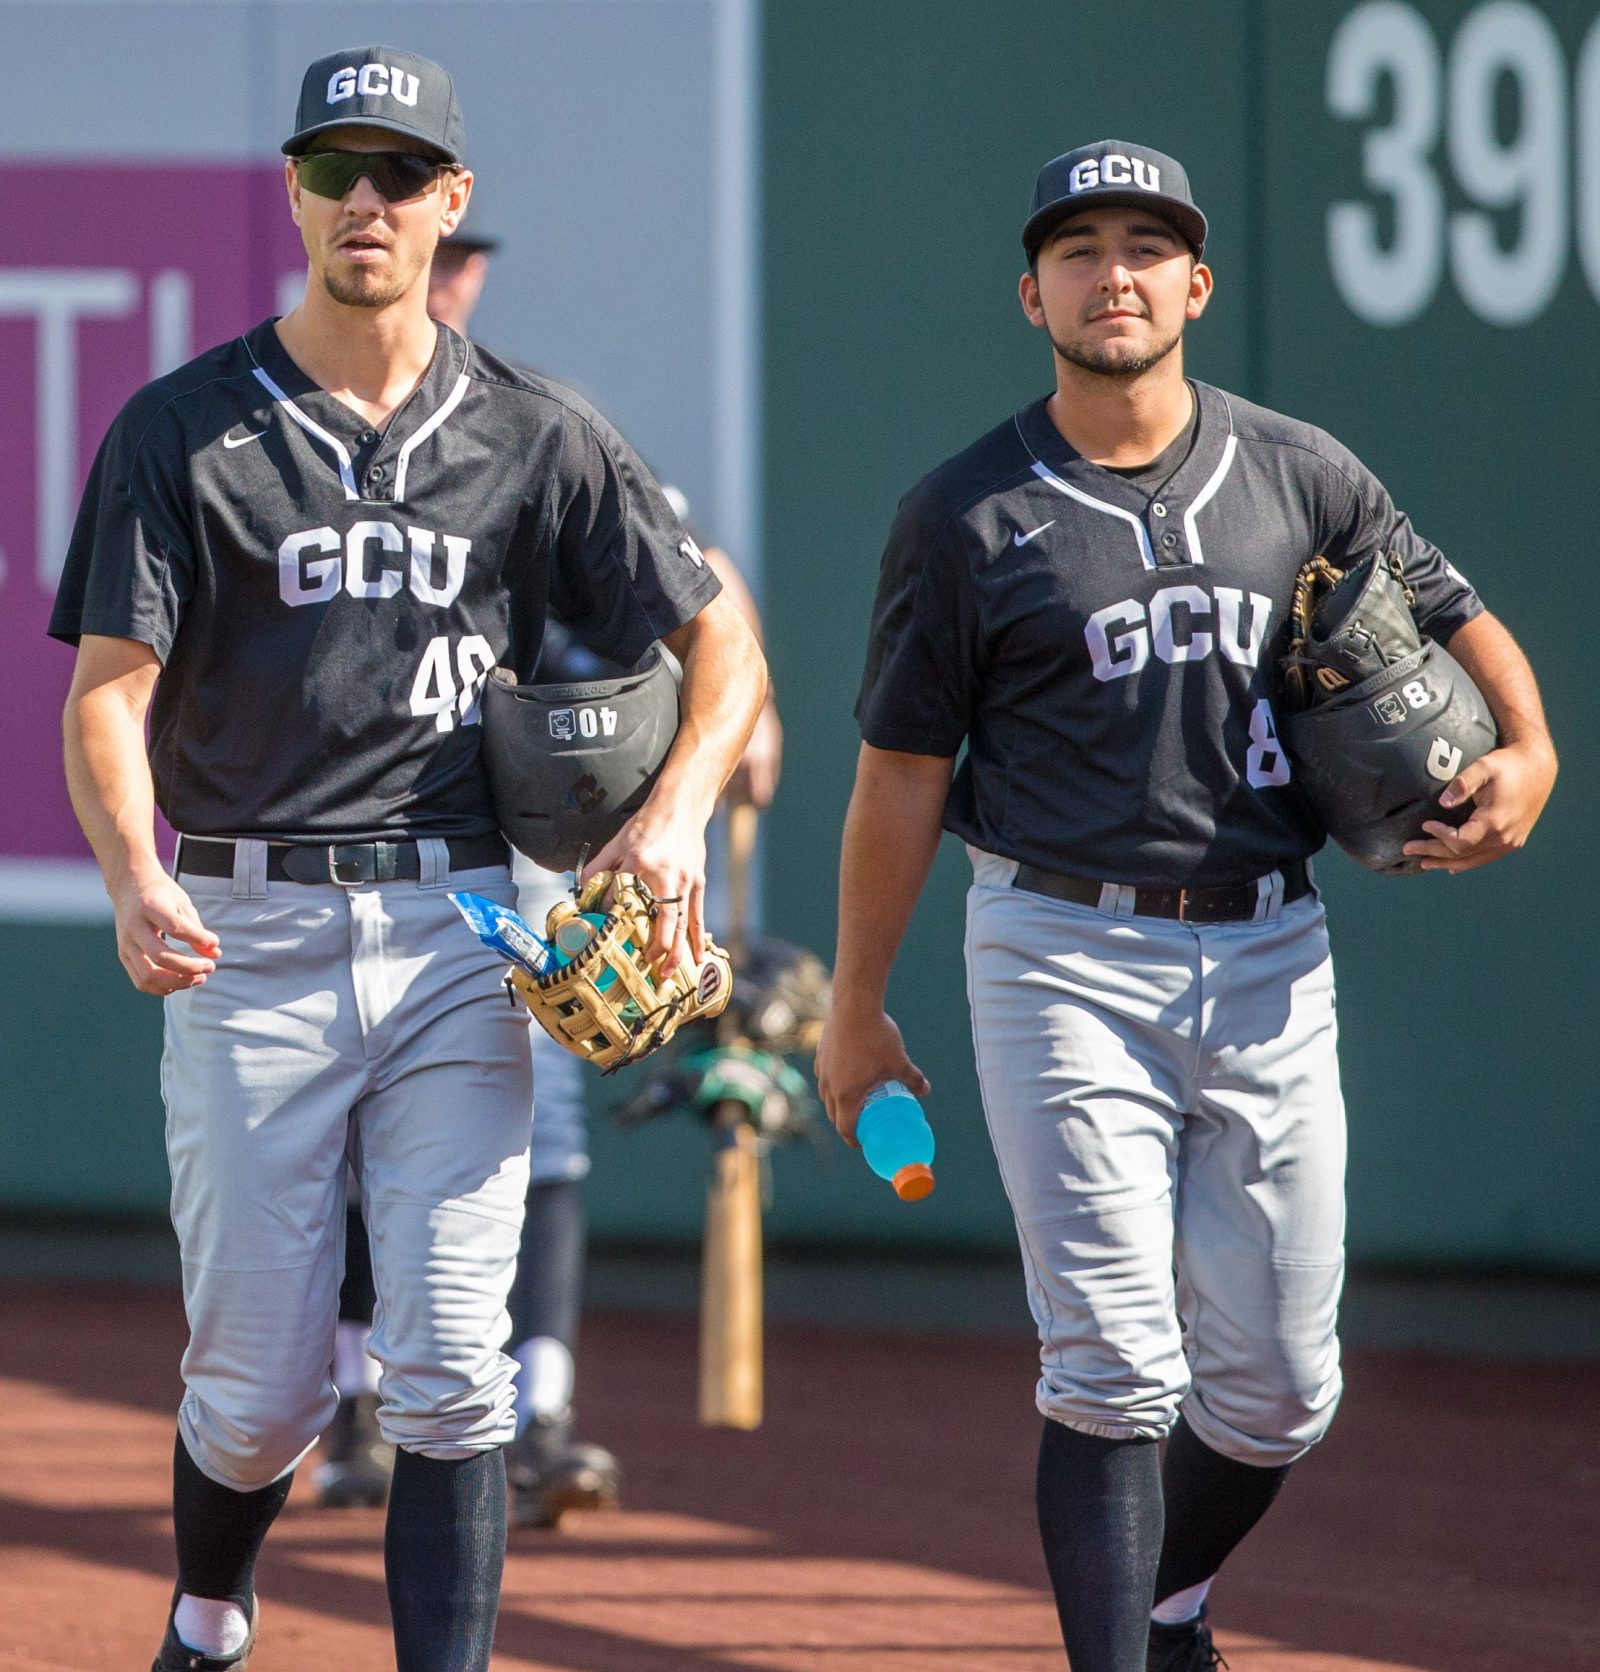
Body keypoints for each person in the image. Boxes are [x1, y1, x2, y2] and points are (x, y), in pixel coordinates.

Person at [53, 44, 765, 1672]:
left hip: (464, 924)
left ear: (455, 202)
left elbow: (719, 646)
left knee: (456, 1372)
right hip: (249, 921)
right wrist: (131, 865)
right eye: (332, 169)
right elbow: (109, 695)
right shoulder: (183, 427)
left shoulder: (532, 430)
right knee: (257, 1391)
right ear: (292, 194)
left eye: (396, 171)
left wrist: (669, 822)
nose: (362, 199)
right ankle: (211, 1615)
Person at [814, 140, 1555, 1672]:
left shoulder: (1300, 468)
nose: (1115, 273)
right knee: (1111, 1366)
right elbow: (897, 777)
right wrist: (855, 1005)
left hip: (1274, 945)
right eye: (1079, 250)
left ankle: (1167, 1604)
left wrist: (1535, 750)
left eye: (1147, 246)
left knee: (1285, 1388)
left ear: (1197, 285)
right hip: (1058, 947)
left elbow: (1456, 614)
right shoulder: (962, 516)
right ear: (1033, 295)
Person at [314, 202, 785, 1528]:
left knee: (551, 1108)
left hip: (568, 817)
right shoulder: (341, 446)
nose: (453, 279)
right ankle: (359, 1407)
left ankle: (539, 1410)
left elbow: (701, 568)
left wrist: (753, 709)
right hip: (421, 811)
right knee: (368, 1100)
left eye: (467, 261)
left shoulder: (531, 426)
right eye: (443, 258)